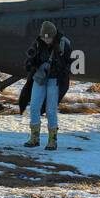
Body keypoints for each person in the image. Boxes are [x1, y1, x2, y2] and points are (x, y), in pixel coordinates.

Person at [22, 20, 72, 149]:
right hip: (39, 78)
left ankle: (52, 140)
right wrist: (31, 64)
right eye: (44, 37)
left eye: (49, 37)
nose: (46, 40)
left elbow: (68, 64)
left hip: (54, 80)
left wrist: (57, 67)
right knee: (34, 107)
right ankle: (34, 138)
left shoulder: (63, 43)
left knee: (50, 110)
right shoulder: (38, 43)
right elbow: (30, 60)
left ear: (53, 35)